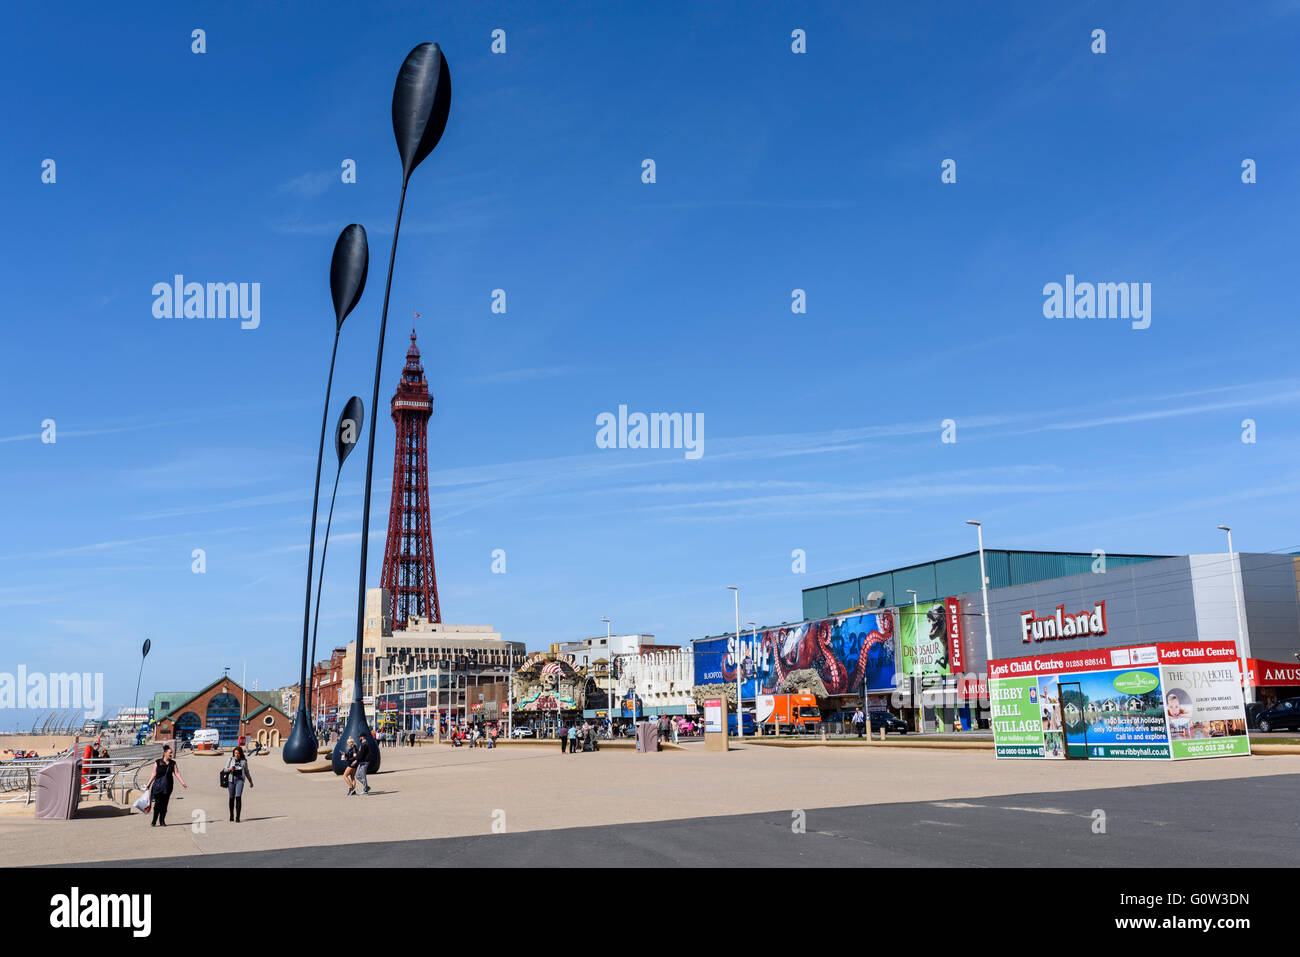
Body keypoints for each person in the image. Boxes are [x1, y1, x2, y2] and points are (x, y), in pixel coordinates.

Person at [142, 744, 186, 827]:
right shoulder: (157, 762)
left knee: (165, 804)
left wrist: (182, 783)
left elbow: (177, 773)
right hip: (158, 786)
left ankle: (162, 821)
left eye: (171, 753)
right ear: (165, 753)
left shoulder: (173, 763)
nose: (171, 754)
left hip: (168, 786)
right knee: (157, 804)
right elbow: (153, 774)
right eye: (170, 753)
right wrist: (148, 784)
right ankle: (154, 820)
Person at [224, 745, 253, 822]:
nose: (236, 755)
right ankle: (231, 815)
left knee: (238, 797)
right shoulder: (230, 759)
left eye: (238, 753)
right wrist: (229, 769)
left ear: (240, 754)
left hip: (240, 780)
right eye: (235, 753)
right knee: (231, 798)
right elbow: (224, 769)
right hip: (231, 780)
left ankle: (238, 817)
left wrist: (250, 781)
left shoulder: (244, 761)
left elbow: (246, 772)